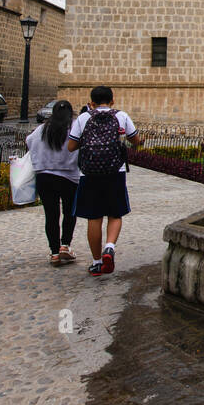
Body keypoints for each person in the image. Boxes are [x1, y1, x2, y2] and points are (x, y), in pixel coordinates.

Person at [66, 85, 141, 277]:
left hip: (89, 173)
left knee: (94, 217)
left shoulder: (83, 118)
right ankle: (109, 247)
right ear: (112, 101)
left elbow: (71, 146)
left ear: (91, 103)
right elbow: (136, 140)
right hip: (115, 171)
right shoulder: (121, 116)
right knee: (115, 214)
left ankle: (97, 262)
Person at [27, 99, 81, 266]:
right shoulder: (74, 128)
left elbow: (29, 141)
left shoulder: (43, 129)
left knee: (51, 215)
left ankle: (54, 252)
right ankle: (65, 245)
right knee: (70, 213)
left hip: (45, 177)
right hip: (69, 177)